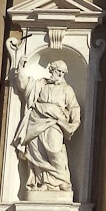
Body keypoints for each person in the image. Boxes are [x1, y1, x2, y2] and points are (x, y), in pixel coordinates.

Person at [6, 37, 81, 196]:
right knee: (36, 153)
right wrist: (21, 67)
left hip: (54, 123)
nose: (60, 75)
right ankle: (42, 183)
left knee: (55, 151)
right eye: (58, 71)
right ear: (52, 70)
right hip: (36, 122)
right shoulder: (40, 84)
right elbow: (24, 85)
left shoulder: (66, 89)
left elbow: (74, 107)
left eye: (63, 73)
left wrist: (74, 123)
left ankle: (61, 181)